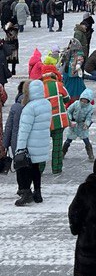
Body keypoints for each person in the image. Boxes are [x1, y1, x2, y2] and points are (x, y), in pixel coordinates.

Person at [14, 78, 51, 206]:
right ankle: (38, 193)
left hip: (30, 143)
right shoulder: (46, 104)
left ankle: (26, 193)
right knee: (35, 168)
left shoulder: (29, 108)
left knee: (24, 168)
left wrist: (20, 148)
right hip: (41, 142)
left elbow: (24, 130)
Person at [63, 88, 95, 162]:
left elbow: (89, 117)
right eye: (82, 100)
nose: (83, 102)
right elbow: (69, 111)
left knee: (86, 140)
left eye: (85, 100)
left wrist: (86, 124)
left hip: (82, 125)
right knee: (68, 140)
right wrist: (70, 119)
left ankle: (90, 154)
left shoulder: (90, 107)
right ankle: (63, 152)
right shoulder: (76, 103)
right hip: (73, 125)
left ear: (89, 100)